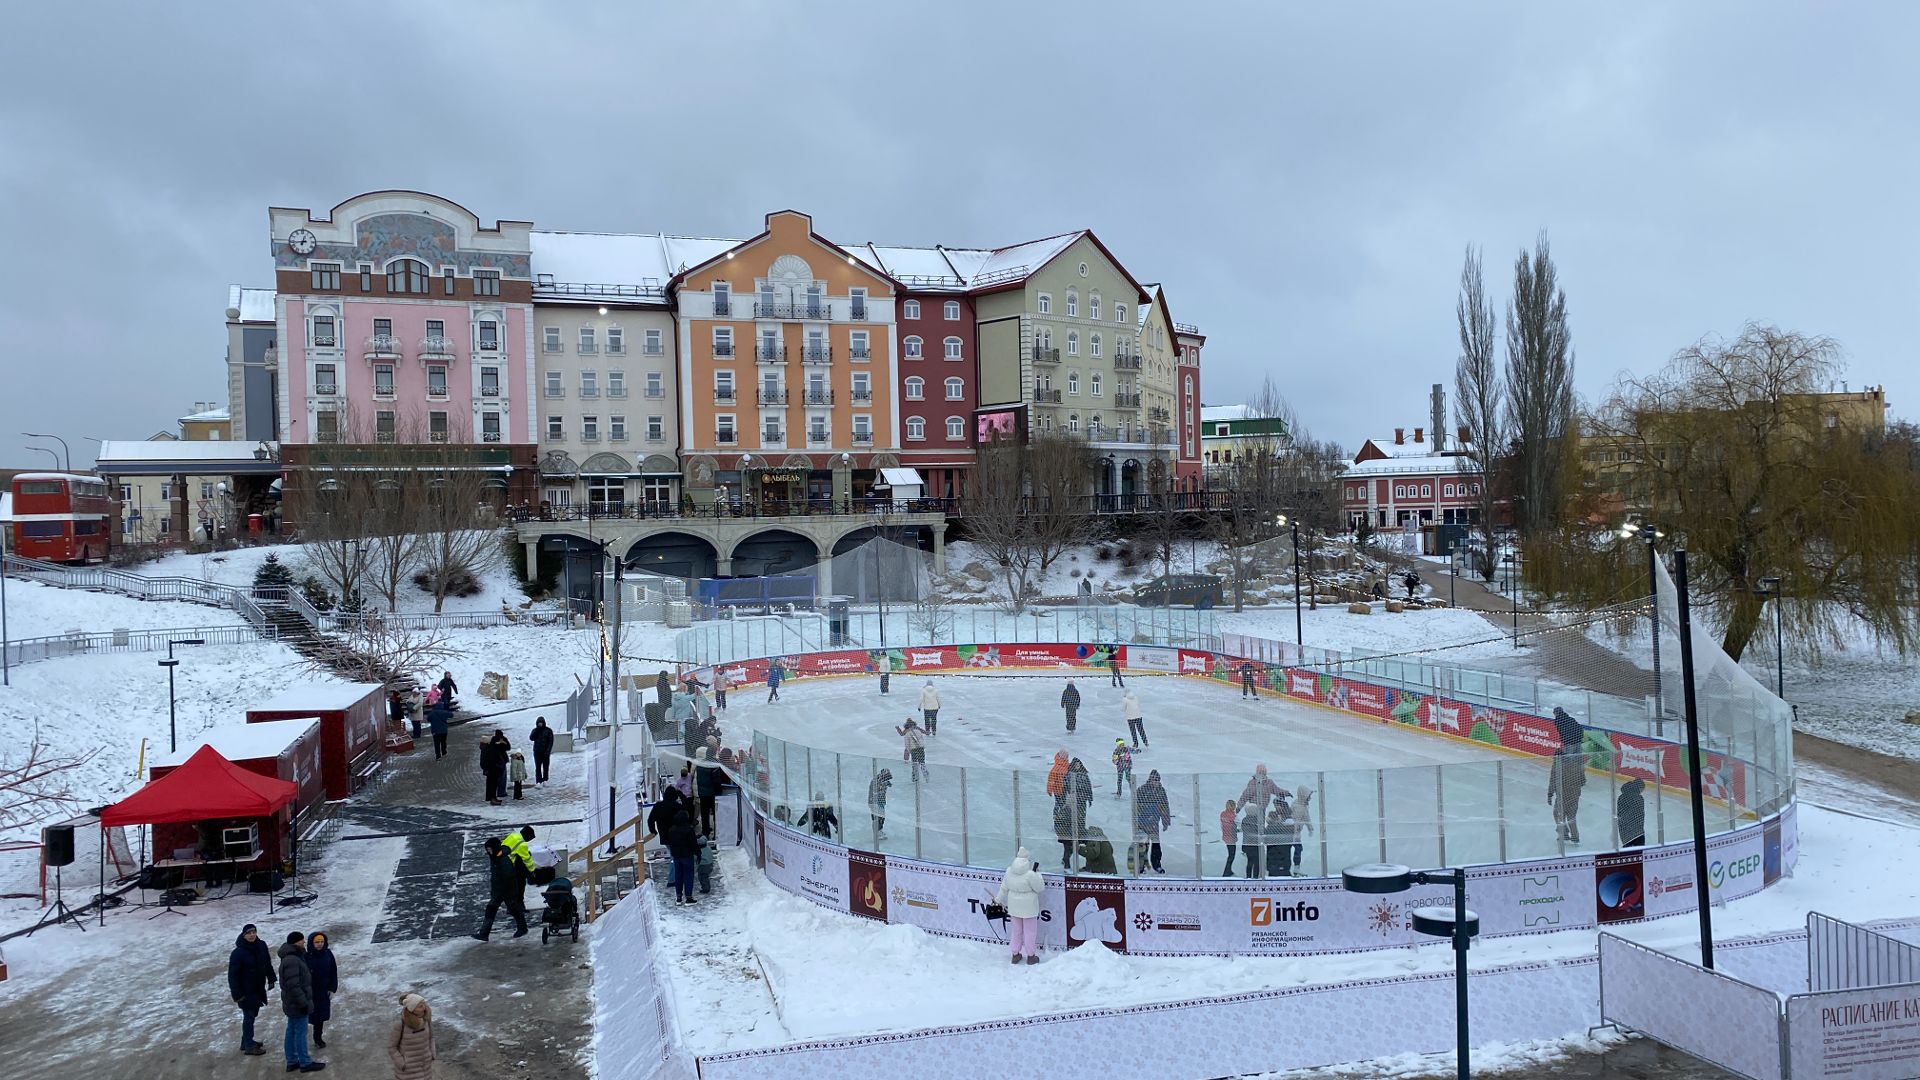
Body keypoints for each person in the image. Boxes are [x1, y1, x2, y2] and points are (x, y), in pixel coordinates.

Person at [227, 923, 276, 1056]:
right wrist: (237, 995)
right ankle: (249, 1046)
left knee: (252, 1015)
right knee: (249, 1016)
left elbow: (267, 963)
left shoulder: (261, 946)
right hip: (245, 991)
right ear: (244, 935)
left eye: (254, 932)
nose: (252, 935)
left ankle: (246, 1041)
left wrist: (271, 978)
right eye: (248, 933)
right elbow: (233, 976)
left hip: (258, 988)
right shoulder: (238, 953)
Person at [278, 931, 324, 1072]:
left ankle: (292, 1061)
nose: (304, 943)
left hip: (292, 1003)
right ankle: (305, 1062)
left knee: (291, 1030)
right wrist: (303, 1003)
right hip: (297, 1004)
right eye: (302, 941)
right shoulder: (292, 960)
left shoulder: (292, 957)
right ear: (296, 942)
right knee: (300, 1032)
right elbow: (294, 986)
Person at [994, 847, 1046, 965]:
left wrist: (997, 899)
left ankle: (1015, 954)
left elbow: (1004, 888)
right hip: (1029, 907)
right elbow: (1040, 888)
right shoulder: (1030, 874)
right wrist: (1038, 873)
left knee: (1016, 931)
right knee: (1030, 932)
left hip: (1014, 906)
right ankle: (1031, 956)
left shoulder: (1009, 871)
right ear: (1027, 860)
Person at [472, 838, 528, 939]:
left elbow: (508, 878)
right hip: (498, 892)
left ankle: (523, 928)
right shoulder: (495, 857)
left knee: (514, 910)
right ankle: (484, 934)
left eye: (489, 849)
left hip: (507, 892)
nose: (488, 851)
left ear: (495, 848)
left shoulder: (503, 860)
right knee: (491, 910)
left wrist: (502, 892)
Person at [387, 993, 437, 1080]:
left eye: (423, 1004)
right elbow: (392, 1047)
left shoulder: (426, 1020)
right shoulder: (400, 1025)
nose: (424, 1007)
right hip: (408, 1071)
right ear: (412, 1009)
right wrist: (402, 1063)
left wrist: (432, 1054)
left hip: (426, 1067)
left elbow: (431, 1037)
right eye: (420, 1006)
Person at [1131, 769, 1171, 875]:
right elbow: (1136, 806)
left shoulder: (1161, 791)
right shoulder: (1142, 790)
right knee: (1143, 845)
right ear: (1150, 779)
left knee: (1156, 845)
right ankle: (1141, 866)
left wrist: (1165, 820)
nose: (1155, 782)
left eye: (1157, 780)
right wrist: (1138, 819)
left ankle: (1157, 864)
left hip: (1154, 823)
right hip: (1143, 823)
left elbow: (1165, 806)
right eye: (1154, 780)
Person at [1549, 740, 1587, 843]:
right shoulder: (1576, 764)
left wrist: (1550, 793)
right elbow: (1583, 780)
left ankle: (1564, 833)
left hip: (1562, 794)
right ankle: (1575, 836)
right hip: (1574, 794)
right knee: (1571, 816)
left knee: (1557, 814)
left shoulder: (1557, 765)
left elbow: (1553, 779)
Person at [306, 931, 338, 1049]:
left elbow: (333, 971)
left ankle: (318, 1038)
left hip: (324, 990)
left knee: (321, 1016)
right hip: (311, 991)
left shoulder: (327, 954)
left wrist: (332, 987)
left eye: (321, 942)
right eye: (317, 942)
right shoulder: (307, 956)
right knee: (310, 1015)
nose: (319, 944)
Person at [665, 809, 701, 905]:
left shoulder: (671, 830)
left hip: (676, 856)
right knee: (688, 876)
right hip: (687, 856)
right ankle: (688, 897)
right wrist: (698, 853)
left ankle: (679, 897)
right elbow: (693, 844)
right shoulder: (688, 830)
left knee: (678, 876)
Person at [695, 748, 724, 836]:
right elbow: (716, 781)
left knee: (704, 813)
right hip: (712, 793)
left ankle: (705, 831)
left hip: (702, 793)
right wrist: (719, 792)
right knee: (716, 813)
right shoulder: (713, 765)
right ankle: (717, 832)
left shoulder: (699, 764)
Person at [1266, 805, 1296, 878]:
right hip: (1282, 850)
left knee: (1275, 867)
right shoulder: (1282, 825)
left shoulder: (1271, 827)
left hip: (1274, 852)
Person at [1616, 778, 1647, 848]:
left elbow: (1620, 813)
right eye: (1642, 789)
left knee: (1627, 847)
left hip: (1623, 828)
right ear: (1639, 788)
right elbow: (1640, 815)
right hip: (1637, 831)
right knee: (1639, 849)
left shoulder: (1621, 797)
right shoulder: (1639, 798)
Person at [895, 717, 928, 782]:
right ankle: (925, 774)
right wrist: (927, 732)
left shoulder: (907, 731)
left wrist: (898, 728)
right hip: (920, 748)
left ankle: (914, 776)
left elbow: (902, 735)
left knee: (914, 762)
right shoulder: (917, 729)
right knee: (922, 762)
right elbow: (922, 734)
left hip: (913, 749)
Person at [479, 733, 507, 807]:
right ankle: (492, 798)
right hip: (492, 770)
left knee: (493, 785)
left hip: (493, 769)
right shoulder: (487, 749)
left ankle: (493, 798)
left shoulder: (488, 748)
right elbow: (487, 761)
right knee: (491, 785)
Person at [1240, 801, 1266, 879]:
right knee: (1257, 862)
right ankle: (1255, 877)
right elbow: (1262, 830)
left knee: (1250, 861)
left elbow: (1243, 830)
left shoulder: (1244, 820)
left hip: (1247, 844)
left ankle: (1248, 876)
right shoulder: (1258, 820)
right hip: (1256, 844)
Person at [868, 768, 893, 839]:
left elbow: (889, 784)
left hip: (881, 802)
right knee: (876, 817)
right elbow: (876, 790)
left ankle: (880, 830)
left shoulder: (883, 780)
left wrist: (887, 783)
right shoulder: (876, 781)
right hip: (874, 802)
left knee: (882, 817)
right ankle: (876, 832)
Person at [489, 731, 513, 801]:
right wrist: (497, 744)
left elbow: (508, 747)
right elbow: (492, 748)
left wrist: (504, 743)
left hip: (503, 760)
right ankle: (497, 792)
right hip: (496, 761)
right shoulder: (493, 740)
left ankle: (501, 792)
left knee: (503, 777)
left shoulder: (504, 739)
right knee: (499, 777)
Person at [529, 717, 554, 784]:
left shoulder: (548, 731)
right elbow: (531, 738)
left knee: (545, 767)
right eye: (539, 723)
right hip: (537, 752)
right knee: (538, 767)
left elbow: (550, 742)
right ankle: (538, 781)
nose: (540, 724)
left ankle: (545, 779)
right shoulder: (535, 730)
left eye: (541, 723)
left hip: (545, 752)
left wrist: (548, 751)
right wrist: (536, 731)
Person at [1219, 800, 1240, 876]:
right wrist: (1238, 830)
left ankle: (1228, 870)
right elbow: (1239, 825)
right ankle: (1226, 871)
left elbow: (1221, 825)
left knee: (1230, 853)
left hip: (1225, 836)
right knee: (1232, 855)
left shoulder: (1222, 814)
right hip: (1231, 837)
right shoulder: (1234, 816)